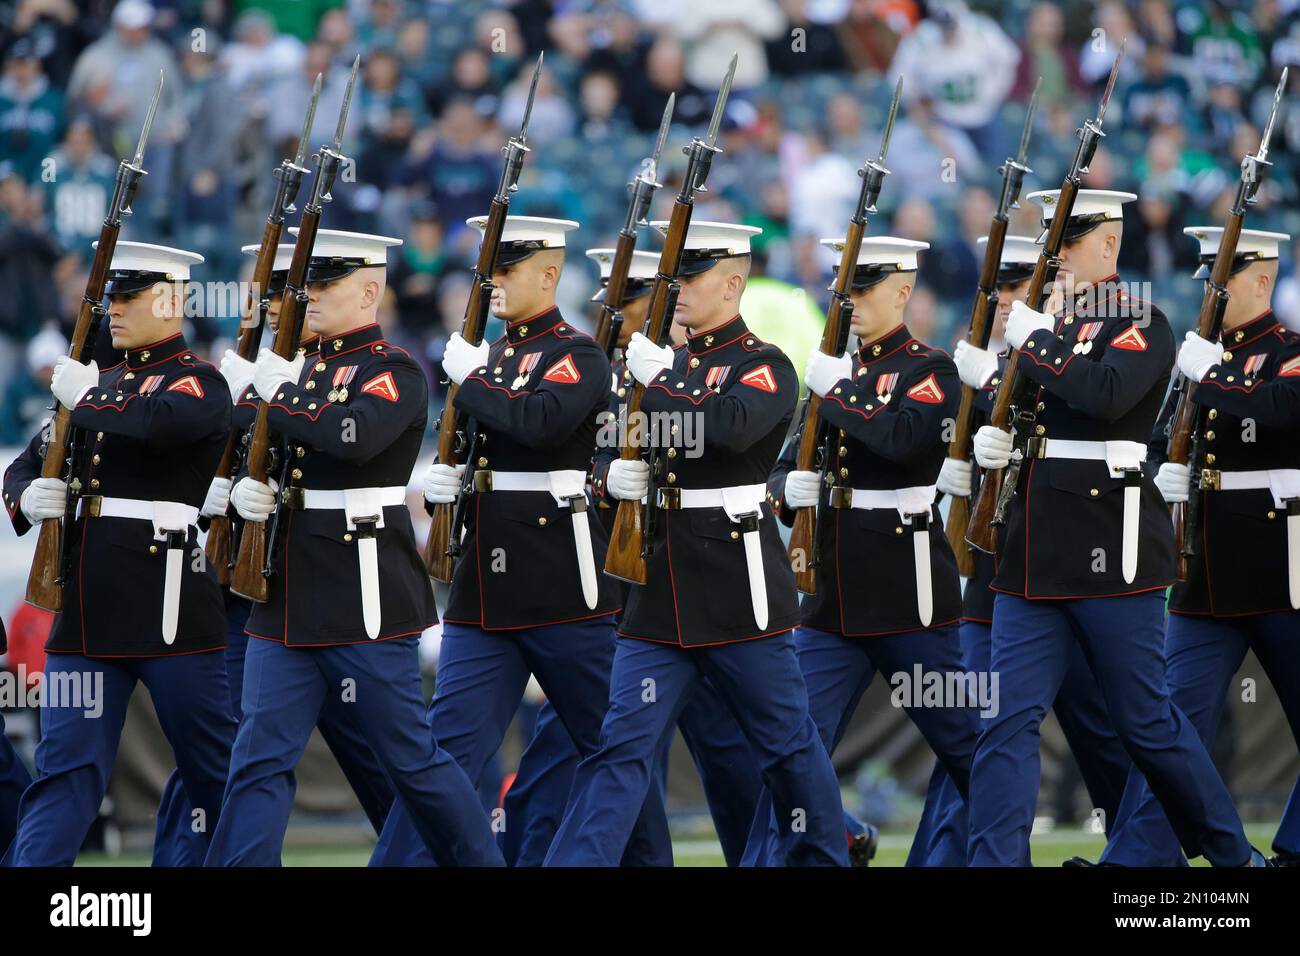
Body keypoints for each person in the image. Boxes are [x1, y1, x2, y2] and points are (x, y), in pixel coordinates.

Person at [965, 189, 1265, 866]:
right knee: (1005, 724)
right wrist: (995, 427)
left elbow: (1105, 396)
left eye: (1067, 241)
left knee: (1148, 723)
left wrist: (1032, 340)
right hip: (1030, 549)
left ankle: (1232, 857)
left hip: (1110, 545)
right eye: (1049, 241)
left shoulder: (1139, 320)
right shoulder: (1043, 327)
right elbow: (1033, 414)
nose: (1054, 255)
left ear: (1107, 245)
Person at [544, 220, 848, 867]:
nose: (676, 288)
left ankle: (824, 857)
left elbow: (728, 430)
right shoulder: (658, 365)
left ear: (732, 283)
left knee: (788, 747)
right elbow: (606, 448)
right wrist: (608, 479)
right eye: (673, 275)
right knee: (619, 748)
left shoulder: (762, 366)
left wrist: (663, 382)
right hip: (656, 595)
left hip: (738, 589)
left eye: (692, 275)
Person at [369, 216, 670, 867]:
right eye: (489, 268)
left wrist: (474, 381)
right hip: (486, 588)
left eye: (508, 268)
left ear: (550, 274)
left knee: (608, 748)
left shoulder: (579, 355)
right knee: (442, 751)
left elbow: (539, 423)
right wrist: (455, 476)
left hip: (566, 583)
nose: (493, 280)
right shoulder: (490, 357)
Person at [204, 229, 501, 866]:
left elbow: (352, 435)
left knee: (410, 757)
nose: (306, 296)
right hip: (282, 591)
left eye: (323, 283)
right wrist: (240, 473)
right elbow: (240, 445)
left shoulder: (392, 369)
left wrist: (272, 392)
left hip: (363, 589)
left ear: (369, 291)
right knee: (257, 759)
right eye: (303, 284)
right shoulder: (292, 366)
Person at [152, 243, 395, 864]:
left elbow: (347, 447)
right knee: (226, 755)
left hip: (330, 593)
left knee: (383, 757)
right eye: (281, 287)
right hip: (244, 602)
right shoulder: (229, 376)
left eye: (301, 285)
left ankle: (425, 853)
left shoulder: (339, 371)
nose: (293, 299)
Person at [1, 241, 237, 866]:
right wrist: (32, 498)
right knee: (65, 772)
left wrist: (88, 398)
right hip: (87, 608)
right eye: (111, 298)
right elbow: (27, 462)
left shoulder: (200, 382)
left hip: (172, 607)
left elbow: (161, 422)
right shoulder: (95, 383)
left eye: (130, 297)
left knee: (213, 770)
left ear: (173, 301)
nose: (115, 310)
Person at [752, 236, 979, 866]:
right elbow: (781, 466)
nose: (847, 301)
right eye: (843, 289)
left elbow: (905, 441)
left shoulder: (929, 371)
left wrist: (842, 391)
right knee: (792, 750)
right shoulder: (831, 371)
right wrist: (785, 490)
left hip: (908, 592)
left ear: (902, 292)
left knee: (966, 747)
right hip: (831, 596)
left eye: (863, 288)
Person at [1098, 226, 1300, 866]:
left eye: (1223, 280)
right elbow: (1160, 441)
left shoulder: (1289, 353)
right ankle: (1135, 859)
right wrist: (1164, 472)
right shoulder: (1197, 363)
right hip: (1202, 566)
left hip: (1280, 562)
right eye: (1206, 280)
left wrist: (1209, 376)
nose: (1209, 294)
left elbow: (1279, 409)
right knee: (1168, 726)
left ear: (1261, 281)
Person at [942, 235, 1132, 840]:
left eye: (1017, 284)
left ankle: (1144, 854)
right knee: (984, 725)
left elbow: (1096, 411)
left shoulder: (1068, 350)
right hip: (999, 572)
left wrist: (998, 376)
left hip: (1074, 562)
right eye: (996, 286)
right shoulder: (969, 362)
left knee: (1106, 731)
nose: (1003, 299)